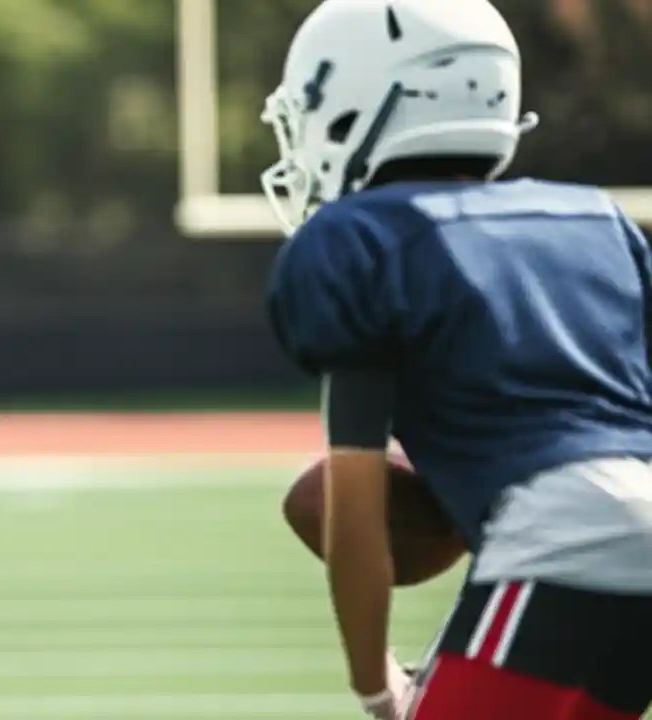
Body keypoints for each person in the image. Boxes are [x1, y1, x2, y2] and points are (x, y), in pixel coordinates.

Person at [263, 1, 652, 718]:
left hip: (560, 543)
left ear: (361, 99)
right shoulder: (597, 220)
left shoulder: (360, 244)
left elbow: (355, 506)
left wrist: (377, 687)